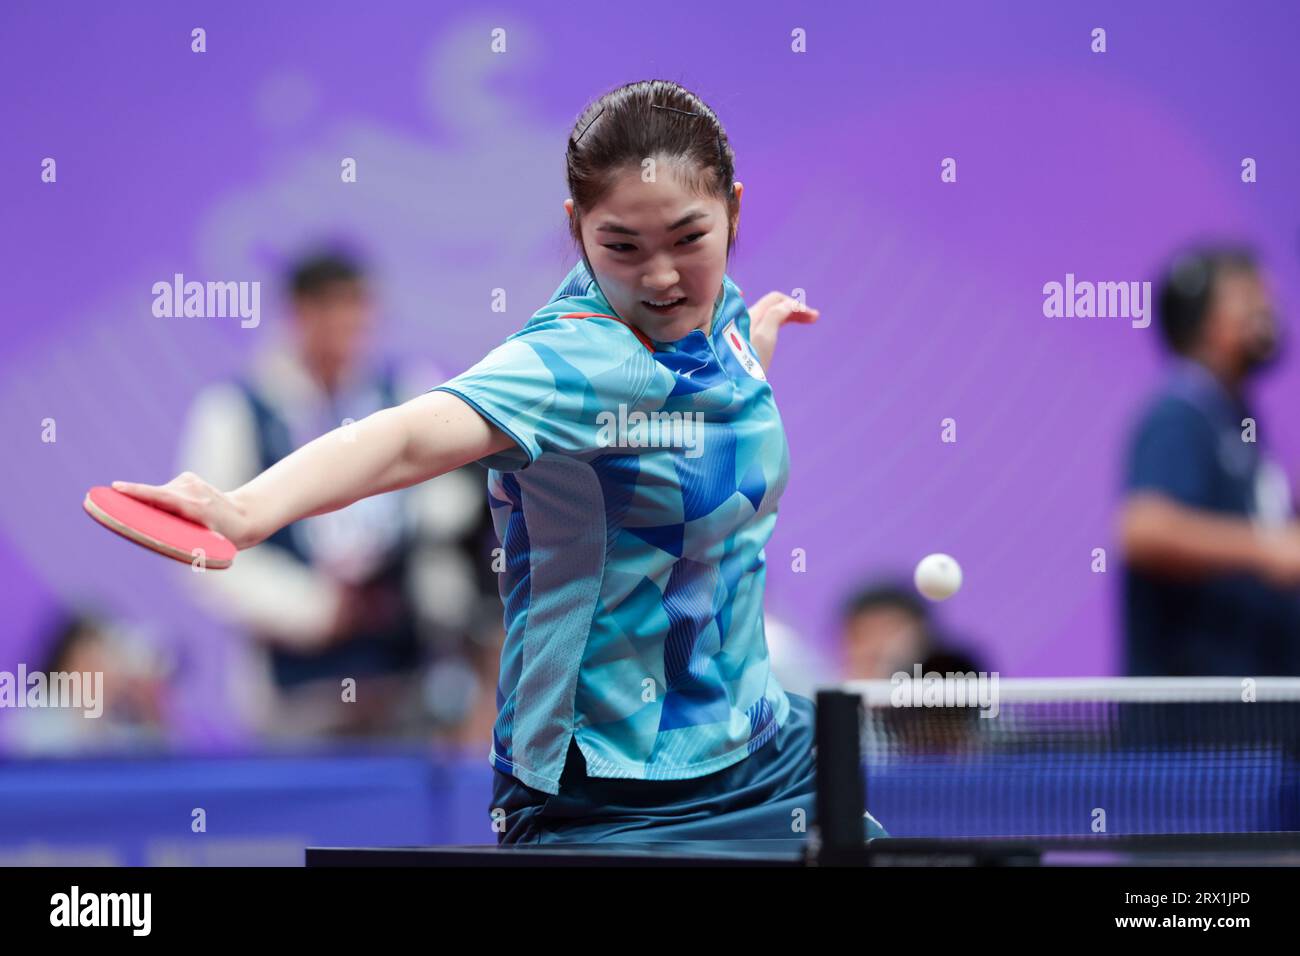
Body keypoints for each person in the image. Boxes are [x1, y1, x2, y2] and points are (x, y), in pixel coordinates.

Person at [111, 79, 885, 844]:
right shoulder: (567, 363)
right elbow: (408, 437)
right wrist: (247, 510)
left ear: (735, 212)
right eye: (622, 246)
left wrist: (755, 341)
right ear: (577, 228)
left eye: (689, 238)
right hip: (611, 788)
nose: (659, 276)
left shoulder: (721, 323)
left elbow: (703, 398)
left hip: (765, 749)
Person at [175, 249, 498, 738]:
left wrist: (414, 579)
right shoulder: (235, 411)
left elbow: (456, 506)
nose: (350, 325)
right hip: (298, 687)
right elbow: (204, 550)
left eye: (359, 309)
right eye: (333, 309)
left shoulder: (409, 390)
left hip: (409, 672)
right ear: (299, 314)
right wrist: (317, 608)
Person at [1118, 246, 1300, 676]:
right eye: (1246, 296)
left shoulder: (1232, 420)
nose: (1267, 306)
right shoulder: (1179, 413)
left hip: (1257, 717)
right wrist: (1271, 548)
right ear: (1203, 324)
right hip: (1197, 726)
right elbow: (1145, 528)